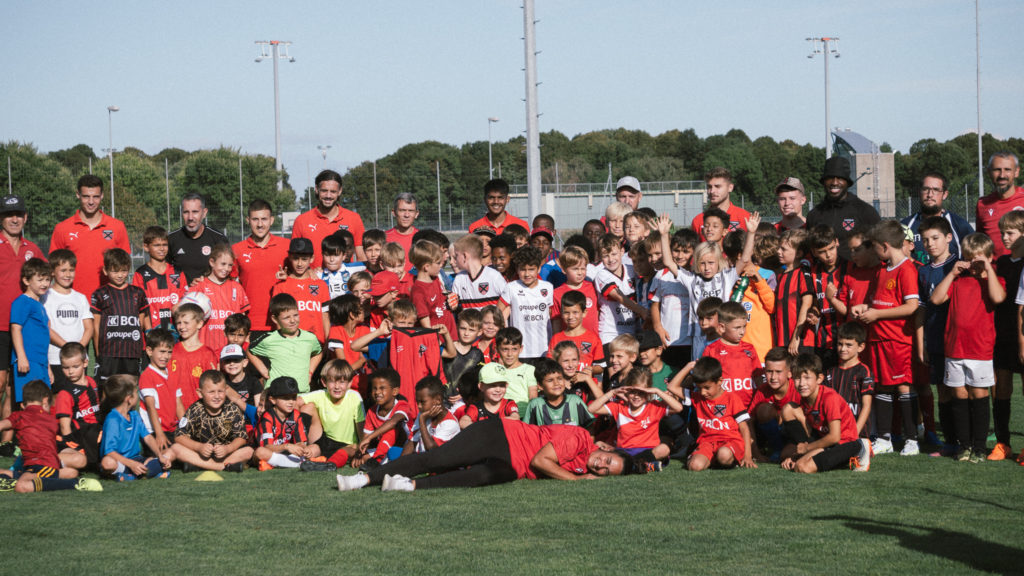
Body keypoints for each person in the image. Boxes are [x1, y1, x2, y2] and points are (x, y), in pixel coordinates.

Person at [336, 416, 634, 492]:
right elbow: (540, 461)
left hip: (512, 466)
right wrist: (575, 482)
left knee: (478, 478)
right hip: (501, 435)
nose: (601, 466)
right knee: (439, 459)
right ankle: (363, 479)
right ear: (605, 448)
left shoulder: (586, 467)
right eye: (607, 460)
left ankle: (409, 485)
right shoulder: (580, 439)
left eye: (607, 471)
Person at [930, 233, 1004, 463]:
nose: (973, 264)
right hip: (955, 347)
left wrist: (988, 269)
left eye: (978, 260)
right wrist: (952, 273)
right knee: (959, 394)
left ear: (990, 257)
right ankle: (964, 445)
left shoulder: (994, 279)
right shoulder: (958, 280)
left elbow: (998, 298)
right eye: (969, 259)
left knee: (979, 394)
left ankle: (980, 447)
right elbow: (936, 299)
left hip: (980, 348)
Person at [851, 221, 919, 456]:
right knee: (881, 385)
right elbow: (879, 300)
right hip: (878, 338)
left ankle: (912, 440)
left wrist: (877, 314)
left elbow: (911, 306)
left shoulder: (907, 269)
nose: (874, 253)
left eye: (875, 248)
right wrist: (864, 307)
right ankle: (885, 438)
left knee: (902, 386)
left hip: (898, 339)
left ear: (885, 246)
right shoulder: (882, 270)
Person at [0, 195, 45, 451]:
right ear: (2, 219)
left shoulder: (32, 249)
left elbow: (43, 282)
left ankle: (7, 443)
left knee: (15, 383)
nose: (14, 219)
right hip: (0, 326)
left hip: (24, 329)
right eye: (8, 215)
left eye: (18, 214)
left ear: (25, 218)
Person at [0, 380, 103, 493]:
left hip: (43, 465)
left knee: (22, 486)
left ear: (22, 405)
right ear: (45, 401)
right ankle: (16, 478)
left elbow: (2, 425)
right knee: (71, 473)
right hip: (41, 464)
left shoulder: (19, 416)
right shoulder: (52, 420)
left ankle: (76, 484)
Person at [779, 354, 871, 474]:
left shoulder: (829, 398)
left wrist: (806, 449)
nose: (801, 383)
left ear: (819, 379)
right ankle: (805, 455)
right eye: (797, 378)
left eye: (807, 378)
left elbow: (834, 437)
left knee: (802, 467)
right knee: (788, 410)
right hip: (824, 440)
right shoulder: (805, 398)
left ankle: (861, 449)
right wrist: (799, 452)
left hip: (843, 443)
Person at [913, 217, 959, 452]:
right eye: (925, 240)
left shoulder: (959, 266)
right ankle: (950, 442)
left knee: (962, 391)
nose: (930, 244)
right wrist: (922, 344)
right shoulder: (923, 272)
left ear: (949, 238)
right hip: (936, 340)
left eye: (935, 238)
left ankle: (969, 441)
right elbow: (921, 311)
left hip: (959, 340)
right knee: (942, 391)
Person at [49, 175, 130, 299]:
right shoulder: (62, 228)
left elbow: (124, 266)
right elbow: (53, 267)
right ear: (78, 195)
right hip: (72, 301)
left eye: (95, 197)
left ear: (102, 195)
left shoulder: (117, 226)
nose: (91, 202)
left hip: (110, 301)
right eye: (86, 196)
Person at [674, 357, 756, 471]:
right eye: (699, 388)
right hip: (707, 442)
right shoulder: (697, 398)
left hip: (730, 442)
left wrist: (748, 455)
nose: (703, 392)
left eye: (707, 388)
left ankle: (728, 458)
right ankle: (710, 458)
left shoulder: (732, 398)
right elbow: (672, 387)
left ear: (720, 381)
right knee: (694, 466)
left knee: (723, 455)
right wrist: (688, 367)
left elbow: (744, 428)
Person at [588, 366, 683, 461]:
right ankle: (639, 464)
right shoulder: (619, 406)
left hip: (649, 451)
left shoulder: (654, 406)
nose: (636, 396)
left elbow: (678, 408)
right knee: (599, 444)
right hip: (624, 451)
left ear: (648, 391)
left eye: (641, 392)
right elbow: (592, 409)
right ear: (626, 390)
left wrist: (657, 391)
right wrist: (613, 392)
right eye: (632, 392)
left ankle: (634, 463)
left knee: (664, 449)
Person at [173, 370, 253, 472]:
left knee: (248, 451)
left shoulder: (232, 409)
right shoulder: (194, 409)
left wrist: (228, 448)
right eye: (211, 392)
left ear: (226, 390)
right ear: (200, 393)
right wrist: (199, 447)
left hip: (226, 454)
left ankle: (200, 466)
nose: (217, 396)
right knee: (176, 448)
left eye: (220, 391)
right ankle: (224, 467)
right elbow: (179, 436)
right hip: (200, 454)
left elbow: (241, 437)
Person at [89, 249, 148, 385]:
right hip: (109, 352)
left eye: (124, 271)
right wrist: (99, 352)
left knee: (130, 386)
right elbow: (96, 326)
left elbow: (140, 322)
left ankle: (131, 408)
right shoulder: (99, 293)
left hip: (131, 352)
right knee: (108, 387)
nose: (120, 275)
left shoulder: (138, 293)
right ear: (105, 271)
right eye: (115, 271)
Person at [99, 374, 174, 481]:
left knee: (168, 455)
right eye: (136, 392)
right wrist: (131, 464)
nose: (138, 396)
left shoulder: (134, 415)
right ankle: (142, 473)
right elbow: (110, 451)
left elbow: (147, 437)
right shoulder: (113, 419)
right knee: (107, 463)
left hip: (136, 459)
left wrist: (159, 455)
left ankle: (131, 476)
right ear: (129, 399)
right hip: (119, 461)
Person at [805, 156, 881, 261]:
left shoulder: (865, 211)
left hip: (855, 275)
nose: (835, 182)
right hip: (823, 276)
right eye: (830, 177)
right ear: (824, 182)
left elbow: (879, 249)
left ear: (847, 182)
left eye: (840, 178)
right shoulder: (814, 214)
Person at [992, 212, 1024, 461]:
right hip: (1001, 335)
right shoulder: (1000, 262)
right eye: (1003, 232)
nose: (1005, 237)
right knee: (1001, 389)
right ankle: (1003, 443)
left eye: (1011, 233)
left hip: (1021, 335)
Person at [232, 199, 290, 334]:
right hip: (249, 324)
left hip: (281, 323)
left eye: (264, 219)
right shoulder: (237, 250)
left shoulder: (286, 246)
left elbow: (301, 275)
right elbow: (227, 283)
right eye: (255, 219)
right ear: (248, 220)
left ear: (272, 220)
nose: (260, 224)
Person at [250, 293, 323, 394]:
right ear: (275, 319)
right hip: (277, 395)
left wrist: (310, 372)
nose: (292, 320)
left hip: (302, 394)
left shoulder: (310, 338)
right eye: (286, 318)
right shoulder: (269, 339)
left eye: (295, 315)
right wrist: (263, 370)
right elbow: (250, 351)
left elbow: (318, 352)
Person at [291, 170, 366, 267]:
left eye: (333, 191)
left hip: (345, 280)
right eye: (324, 191)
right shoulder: (302, 221)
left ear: (340, 191)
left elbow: (361, 256)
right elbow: (295, 257)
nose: (328, 196)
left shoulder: (353, 218)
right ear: (317, 190)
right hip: (313, 281)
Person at [301, 359, 365, 470]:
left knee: (348, 451)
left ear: (349, 383)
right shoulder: (321, 394)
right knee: (307, 407)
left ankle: (329, 464)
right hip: (325, 441)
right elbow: (295, 402)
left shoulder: (354, 397)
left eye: (342, 382)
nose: (337, 386)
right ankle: (300, 448)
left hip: (348, 445)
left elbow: (362, 429)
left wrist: (361, 451)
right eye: (332, 381)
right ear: (324, 382)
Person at [254, 376, 325, 471]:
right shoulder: (267, 417)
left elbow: (301, 442)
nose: (291, 402)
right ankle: (301, 464)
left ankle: (278, 463)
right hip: (272, 452)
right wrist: (286, 446)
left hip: (289, 453)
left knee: (316, 448)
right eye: (286, 398)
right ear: (273, 400)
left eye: (293, 398)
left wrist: (303, 449)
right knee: (260, 452)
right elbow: (267, 446)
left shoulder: (296, 415)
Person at [901, 172, 974, 264]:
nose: (930, 195)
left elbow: (975, 256)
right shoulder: (905, 226)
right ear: (919, 192)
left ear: (945, 194)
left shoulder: (959, 225)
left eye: (935, 190)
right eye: (925, 189)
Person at [701, 301, 763, 407]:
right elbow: (705, 380)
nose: (742, 332)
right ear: (722, 327)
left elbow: (758, 377)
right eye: (737, 328)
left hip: (749, 407)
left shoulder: (750, 348)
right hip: (723, 407)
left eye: (744, 326)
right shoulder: (711, 350)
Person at [270, 238, 331, 345]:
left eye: (304, 259)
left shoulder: (321, 285)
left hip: (317, 343)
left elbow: (325, 316)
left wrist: (327, 342)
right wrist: (282, 342)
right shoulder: (281, 286)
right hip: (291, 343)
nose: (299, 263)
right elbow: (279, 319)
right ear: (289, 257)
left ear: (311, 259)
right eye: (295, 258)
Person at [499, 246, 554, 363]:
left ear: (539, 269)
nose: (527, 274)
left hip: (544, 348)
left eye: (531, 269)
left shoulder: (548, 287)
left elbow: (552, 315)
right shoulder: (511, 288)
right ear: (517, 270)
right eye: (523, 269)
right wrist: (507, 335)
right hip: (519, 350)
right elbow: (499, 311)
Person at [192, 244, 249, 354]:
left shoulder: (236, 287)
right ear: (212, 262)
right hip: (206, 346)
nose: (226, 269)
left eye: (230, 265)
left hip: (231, 349)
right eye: (223, 264)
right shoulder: (199, 286)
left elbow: (243, 319)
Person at [53, 342, 102, 469]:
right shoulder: (65, 393)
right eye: (65, 368)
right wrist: (75, 448)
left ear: (85, 363)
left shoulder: (92, 382)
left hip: (95, 431)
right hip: (81, 437)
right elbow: (64, 427)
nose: (70, 372)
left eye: (75, 367)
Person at [747, 347, 800, 462]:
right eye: (769, 371)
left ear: (790, 373)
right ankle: (776, 449)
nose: (773, 377)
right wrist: (755, 453)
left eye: (778, 372)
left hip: (796, 437)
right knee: (763, 410)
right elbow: (749, 422)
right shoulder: (762, 390)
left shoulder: (798, 389)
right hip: (776, 435)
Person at [352, 368, 412, 469]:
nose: (377, 392)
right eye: (374, 388)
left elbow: (392, 422)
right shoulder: (372, 411)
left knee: (392, 429)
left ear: (395, 391)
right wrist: (360, 453)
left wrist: (370, 438)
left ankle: (377, 461)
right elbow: (366, 439)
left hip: (407, 449)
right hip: (385, 450)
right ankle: (331, 462)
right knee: (357, 454)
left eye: (382, 388)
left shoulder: (402, 405)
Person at [11, 258, 52, 398]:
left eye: (47, 280)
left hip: (42, 363)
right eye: (40, 280)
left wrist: (48, 367)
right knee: (30, 405)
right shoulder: (22, 302)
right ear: (27, 281)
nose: (45, 284)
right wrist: (21, 357)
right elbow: (15, 329)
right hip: (29, 362)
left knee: (43, 403)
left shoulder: (40, 305)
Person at [167, 193, 228, 284]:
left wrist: (205, 284)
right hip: (180, 296)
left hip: (211, 296)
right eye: (186, 212)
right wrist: (185, 287)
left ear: (204, 213)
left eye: (195, 212)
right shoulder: (171, 239)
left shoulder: (218, 239)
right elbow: (163, 273)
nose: (190, 217)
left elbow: (227, 272)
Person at [826, 322, 874, 437]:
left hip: (857, 434)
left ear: (861, 347)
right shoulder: (830, 372)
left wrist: (855, 432)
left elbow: (866, 405)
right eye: (840, 344)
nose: (843, 349)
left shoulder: (864, 372)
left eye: (848, 345)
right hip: (834, 433)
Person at [133, 226, 185, 332]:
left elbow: (184, 301)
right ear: (146, 247)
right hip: (151, 333)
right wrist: (147, 331)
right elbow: (138, 307)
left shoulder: (177, 272)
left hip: (175, 333)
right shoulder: (140, 274)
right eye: (157, 245)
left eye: (164, 245)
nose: (162, 249)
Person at [138, 329, 182, 452]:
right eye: (162, 352)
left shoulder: (172, 374)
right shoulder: (147, 376)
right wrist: (159, 434)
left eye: (169, 352)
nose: (166, 356)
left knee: (191, 443)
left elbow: (178, 403)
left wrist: (186, 428)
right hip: (154, 432)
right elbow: (151, 407)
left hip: (173, 429)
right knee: (170, 453)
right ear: (149, 351)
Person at [168, 303, 218, 409]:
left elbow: (212, 386)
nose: (181, 327)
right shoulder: (172, 350)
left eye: (186, 323)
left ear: (199, 324)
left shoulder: (208, 354)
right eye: (179, 323)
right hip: (174, 410)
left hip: (199, 411)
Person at [976, 152, 1024, 260]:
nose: (1002, 175)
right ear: (989, 172)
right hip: (995, 273)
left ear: (1016, 172)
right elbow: (981, 242)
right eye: (997, 170)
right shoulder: (982, 204)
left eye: (1007, 169)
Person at [523, 358, 593, 427]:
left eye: (559, 378)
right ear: (540, 386)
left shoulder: (575, 401)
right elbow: (527, 431)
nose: (556, 383)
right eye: (550, 380)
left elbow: (590, 429)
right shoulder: (535, 404)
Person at [549, 290, 604, 374]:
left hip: (584, 385)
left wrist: (587, 371)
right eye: (566, 313)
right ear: (561, 313)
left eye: (575, 312)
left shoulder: (593, 338)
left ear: (584, 313)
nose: (571, 317)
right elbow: (550, 364)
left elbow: (600, 367)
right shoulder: (556, 339)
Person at [550, 246, 600, 337]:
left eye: (583, 268)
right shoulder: (557, 293)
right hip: (569, 344)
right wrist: (557, 341)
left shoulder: (593, 287)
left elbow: (598, 313)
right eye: (575, 269)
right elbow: (556, 321)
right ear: (564, 270)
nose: (580, 272)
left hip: (592, 341)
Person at [410, 240, 456, 336]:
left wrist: (453, 301)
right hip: (438, 340)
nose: (441, 266)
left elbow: (444, 301)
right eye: (438, 263)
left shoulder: (436, 279)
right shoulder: (418, 291)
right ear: (426, 267)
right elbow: (426, 326)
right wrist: (435, 340)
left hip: (450, 334)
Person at [691, 167, 752, 239]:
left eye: (717, 186)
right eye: (709, 187)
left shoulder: (745, 218)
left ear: (730, 188)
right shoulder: (698, 220)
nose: (712, 191)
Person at [451, 234, 506, 310]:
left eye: (456, 256)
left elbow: (508, 304)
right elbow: (455, 308)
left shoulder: (494, 276)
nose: (454, 260)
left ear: (465, 256)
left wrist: (496, 320)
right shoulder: (459, 279)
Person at [459, 363, 520, 428]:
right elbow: (463, 422)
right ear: (481, 386)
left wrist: (490, 424)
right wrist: (483, 428)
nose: (498, 390)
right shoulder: (476, 408)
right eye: (493, 385)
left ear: (506, 385)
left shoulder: (509, 404)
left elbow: (515, 417)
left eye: (502, 385)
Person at [490, 327, 536, 411]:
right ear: (497, 349)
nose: (510, 354)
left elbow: (533, 396)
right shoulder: (494, 370)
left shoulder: (529, 369)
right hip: (502, 414)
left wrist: (531, 415)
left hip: (524, 415)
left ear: (521, 349)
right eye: (505, 349)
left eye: (514, 349)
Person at [385, 193, 419, 266]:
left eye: (411, 211)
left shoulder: (423, 238)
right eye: (402, 210)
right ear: (394, 213)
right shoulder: (384, 238)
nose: (406, 215)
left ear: (416, 214)